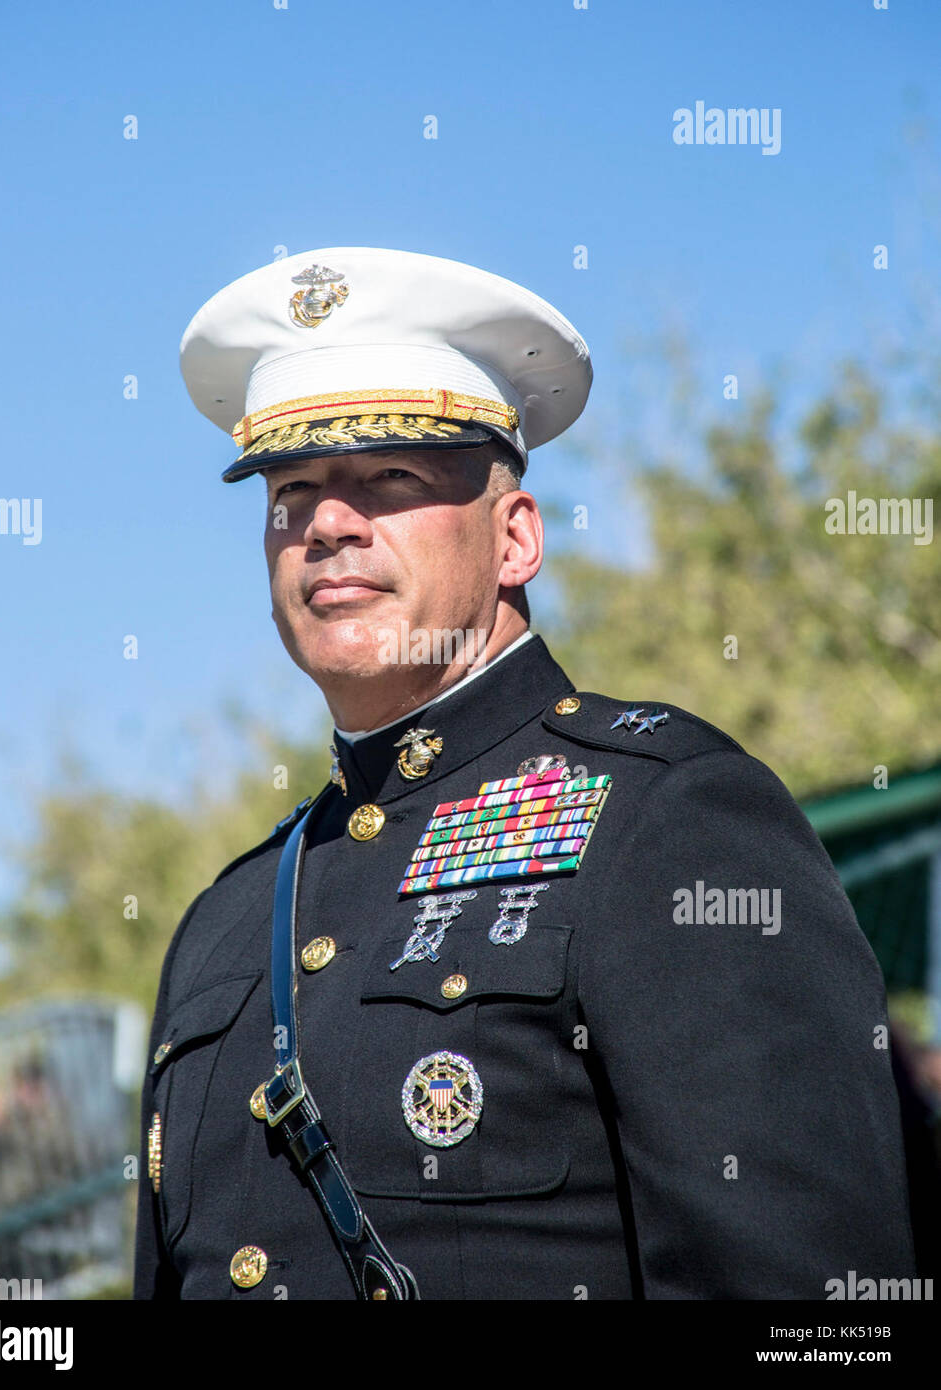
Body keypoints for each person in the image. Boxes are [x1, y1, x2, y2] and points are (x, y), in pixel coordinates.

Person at [134, 246, 916, 1300]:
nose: (325, 524)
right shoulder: (225, 922)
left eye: (390, 480)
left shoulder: (666, 812)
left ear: (514, 539)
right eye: (293, 492)